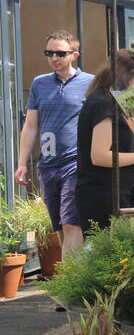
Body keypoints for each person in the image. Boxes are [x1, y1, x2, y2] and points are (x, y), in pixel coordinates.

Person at [15, 32, 93, 254]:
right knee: (59, 226)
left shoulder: (89, 82)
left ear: (74, 55)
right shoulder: (39, 83)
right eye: (49, 53)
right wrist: (22, 163)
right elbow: (30, 126)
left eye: (60, 53)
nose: (54, 58)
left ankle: (71, 284)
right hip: (47, 165)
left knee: (71, 223)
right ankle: (75, 275)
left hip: (75, 163)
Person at [75, 51, 134, 235]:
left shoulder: (104, 100)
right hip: (103, 195)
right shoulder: (104, 104)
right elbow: (100, 156)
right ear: (127, 77)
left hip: (109, 191)